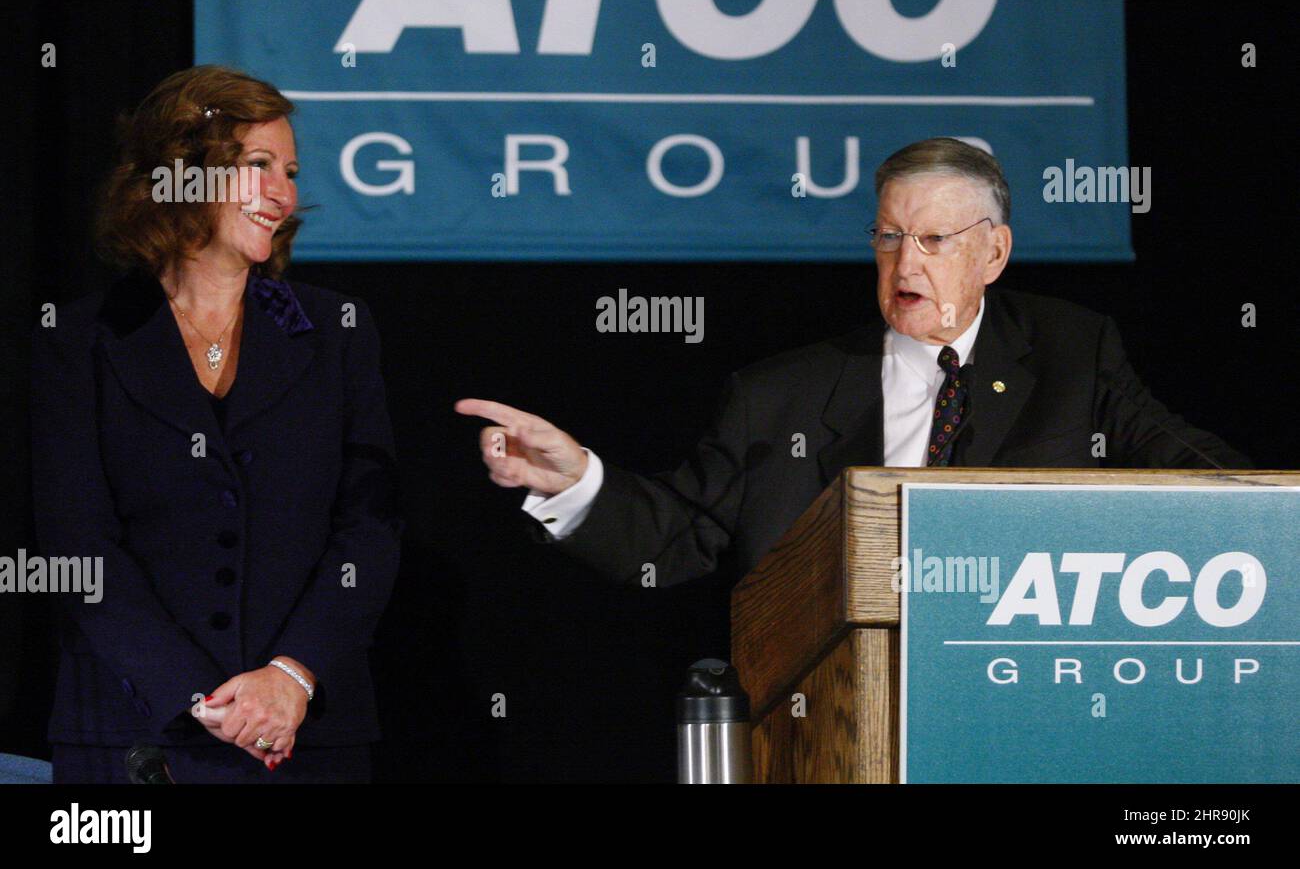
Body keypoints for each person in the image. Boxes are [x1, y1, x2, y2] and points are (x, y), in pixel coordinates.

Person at [456, 137, 1251, 586]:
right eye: (889, 237)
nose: (907, 263)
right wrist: (575, 480)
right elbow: (675, 539)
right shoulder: (779, 397)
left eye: (934, 240)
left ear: (995, 252)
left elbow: (1194, 472)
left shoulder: (1076, 356)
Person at [30, 65, 402, 783]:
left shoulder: (337, 331)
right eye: (257, 165)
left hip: (304, 741)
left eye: (289, 172)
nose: (283, 194)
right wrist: (201, 699)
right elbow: (77, 544)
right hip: (133, 739)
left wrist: (290, 677)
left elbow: (371, 527)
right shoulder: (79, 339)